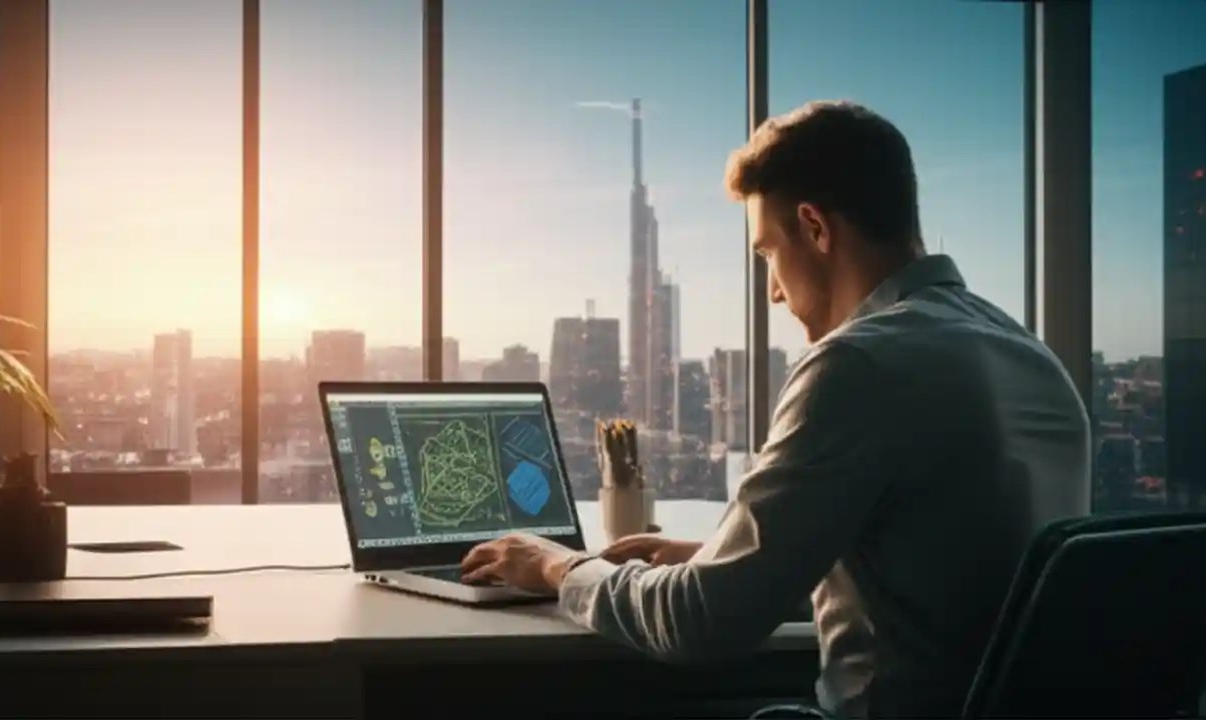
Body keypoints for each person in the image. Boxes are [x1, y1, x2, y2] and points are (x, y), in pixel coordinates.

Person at [461, 100, 1090, 718]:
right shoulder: (1030, 356)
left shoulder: (858, 365)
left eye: (766, 252)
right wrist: (729, 558)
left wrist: (557, 566)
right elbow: (939, 579)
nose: (771, 291)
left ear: (815, 228)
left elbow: (701, 624)